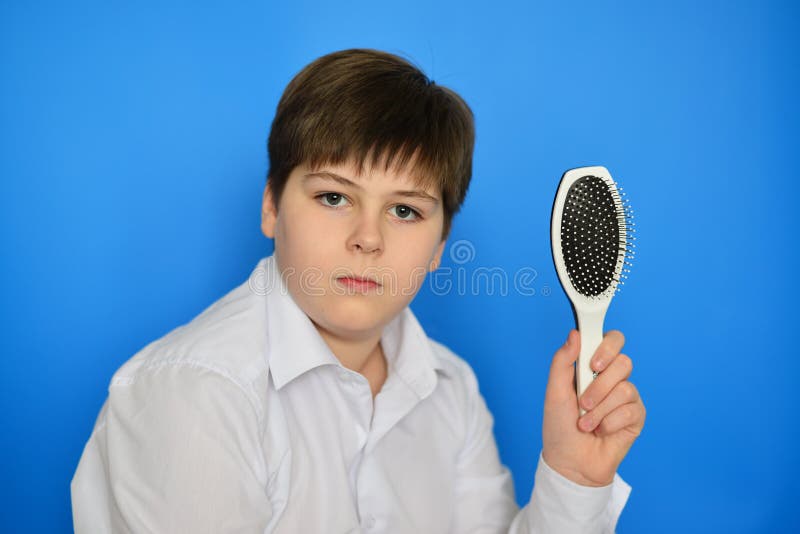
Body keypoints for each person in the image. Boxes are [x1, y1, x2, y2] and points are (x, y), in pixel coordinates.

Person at [71, 48, 646, 533]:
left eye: (404, 210)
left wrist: (574, 479)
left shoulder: (451, 390)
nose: (367, 239)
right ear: (271, 205)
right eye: (334, 197)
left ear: (441, 243)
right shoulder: (197, 395)